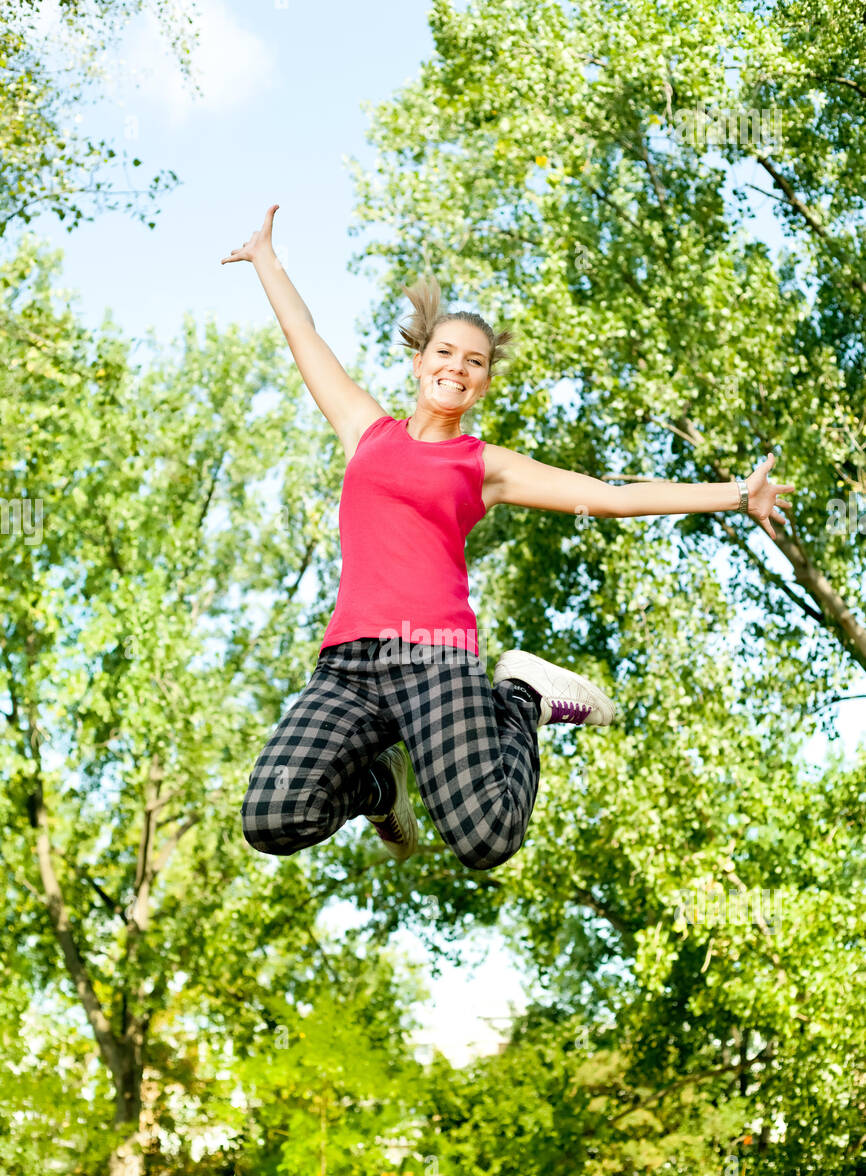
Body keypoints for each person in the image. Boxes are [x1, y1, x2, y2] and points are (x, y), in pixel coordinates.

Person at [222, 205, 794, 868]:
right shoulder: (365, 431)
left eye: (475, 362)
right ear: (419, 362)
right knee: (272, 816)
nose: (457, 367)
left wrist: (734, 495)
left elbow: (608, 498)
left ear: (484, 381)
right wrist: (267, 259)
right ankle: (381, 787)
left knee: (488, 839)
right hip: (349, 667)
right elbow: (303, 335)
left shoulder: (483, 465)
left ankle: (521, 696)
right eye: (445, 353)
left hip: (437, 660)